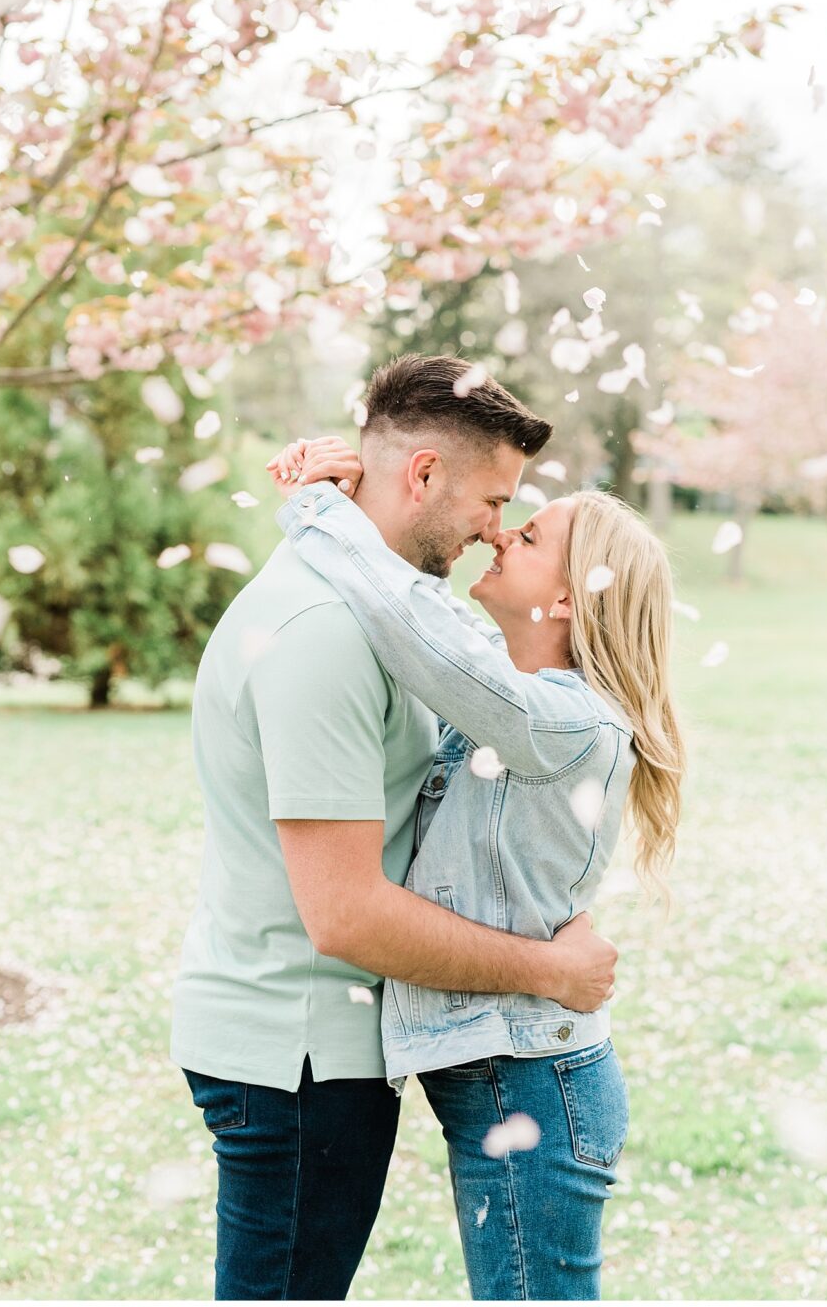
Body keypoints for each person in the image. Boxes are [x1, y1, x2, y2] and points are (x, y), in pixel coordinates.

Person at [170, 354, 620, 1302]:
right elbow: (346, 915)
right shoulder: (327, 632)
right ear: (422, 475)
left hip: (322, 1046)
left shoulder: (358, 605)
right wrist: (550, 970)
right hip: (298, 1054)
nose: (493, 531)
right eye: (493, 501)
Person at [266, 424, 685, 1302]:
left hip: (535, 1088)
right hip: (516, 1081)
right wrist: (357, 492)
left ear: (574, 598)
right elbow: (429, 620)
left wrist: (311, 510)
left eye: (528, 536)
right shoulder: (518, 691)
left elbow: (412, 628)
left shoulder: (568, 722)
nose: (500, 531)